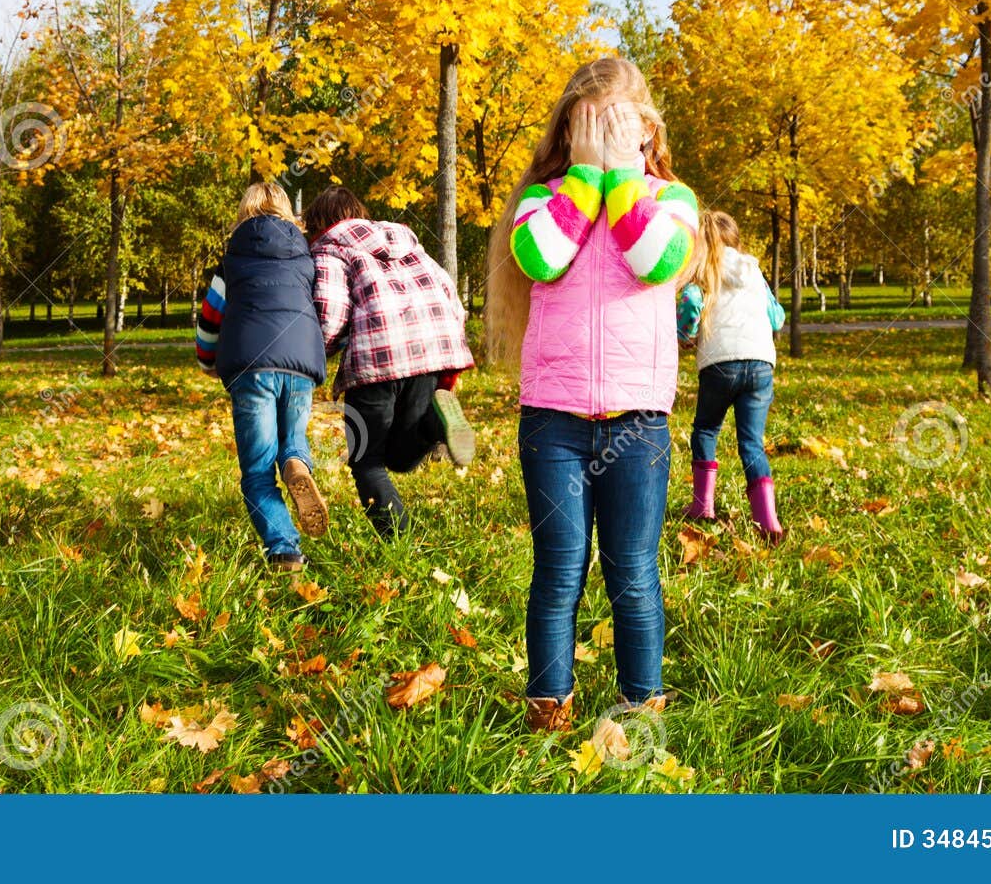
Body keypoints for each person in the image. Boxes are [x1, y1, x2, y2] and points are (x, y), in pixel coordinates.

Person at [487, 56, 698, 732]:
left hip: (638, 417)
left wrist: (628, 183)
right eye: (592, 125)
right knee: (559, 567)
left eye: (620, 125)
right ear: (570, 129)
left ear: (645, 130)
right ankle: (549, 706)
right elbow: (542, 257)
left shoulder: (671, 200)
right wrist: (582, 180)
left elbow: (656, 260)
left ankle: (643, 706)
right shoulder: (543, 201)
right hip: (554, 416)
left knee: (632, 569)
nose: (606, 140)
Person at [306, 185, 475, 539]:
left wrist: (315, 357)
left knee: (366, 461)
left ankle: (397, 541)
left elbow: (331, 313)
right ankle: (435, 424)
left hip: (376, 361)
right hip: (430, 354)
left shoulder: (329, 249)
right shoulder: (407, 242)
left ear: (318, 224)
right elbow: (450, 296)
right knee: (398, 458)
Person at [195, 182, 328, 573]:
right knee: (294, 440)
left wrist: (207, 361)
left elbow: (210, 319)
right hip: (301, 364)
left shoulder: (231, 261)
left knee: (256, 470)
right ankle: (298, 465)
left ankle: (284, 548)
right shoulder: (307, 260)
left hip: (251, 366)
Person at [677, 210, 785, 542]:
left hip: (719, 365)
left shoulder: (702, 274)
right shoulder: (754, 273)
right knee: (751, 444)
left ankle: (703, 506)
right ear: (736, 240)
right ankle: (767, 522)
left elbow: (691, 304)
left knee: (706, 431)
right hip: (760, 364)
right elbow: (777, 318)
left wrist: (685, 334)